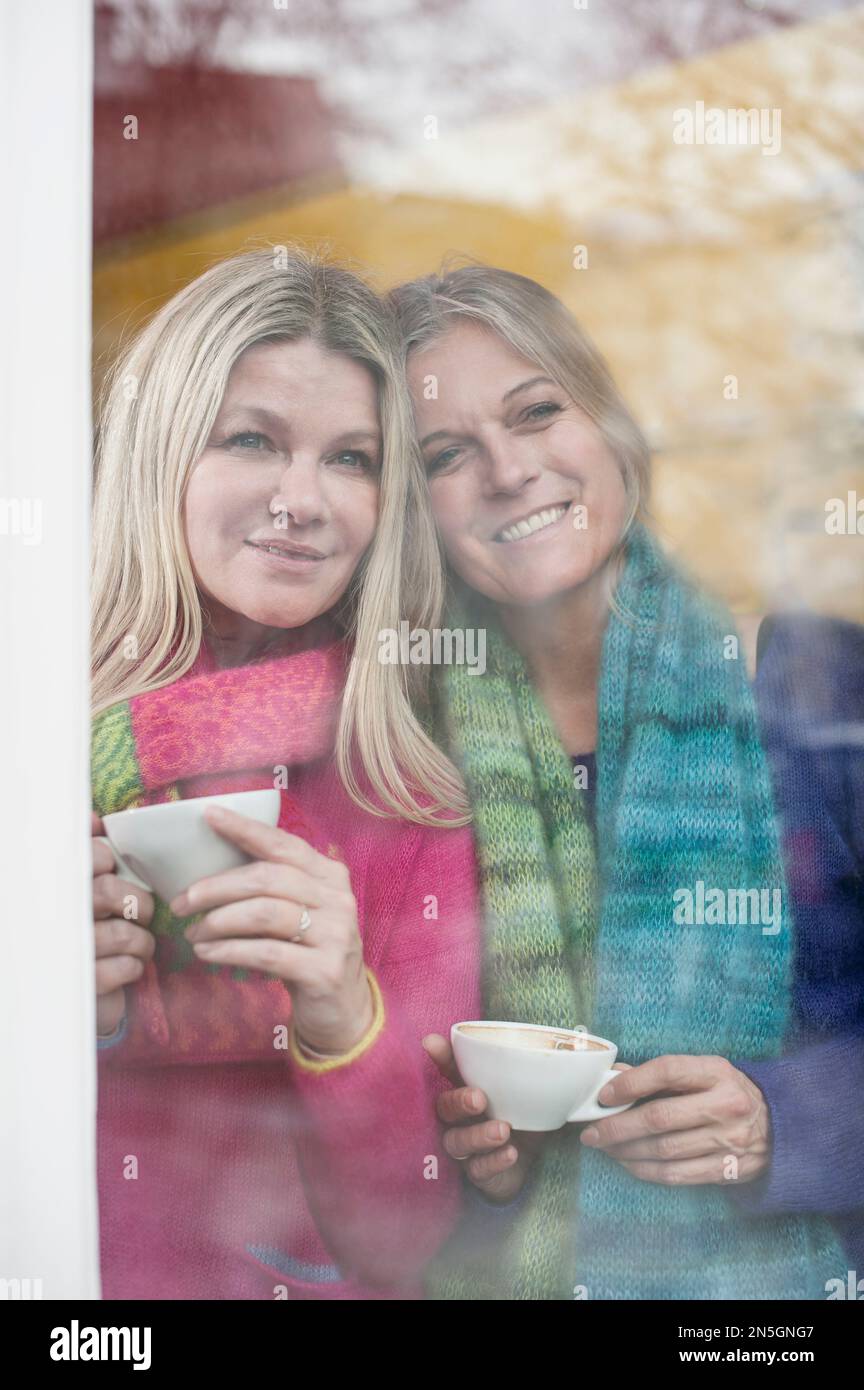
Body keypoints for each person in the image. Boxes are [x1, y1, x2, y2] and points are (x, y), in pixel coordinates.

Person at [389, 263, 864, 1300]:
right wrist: (484, 1165)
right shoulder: (407, 748)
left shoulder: (823, 687)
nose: (510, 471)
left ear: (608, 422)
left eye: (537, 411)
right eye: (446, 455)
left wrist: (786, 1118)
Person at [90, 247, 480, 1300]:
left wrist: (341, 1016)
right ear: (161, 454)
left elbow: (407, 1241)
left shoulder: (409, 789)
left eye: (351, 459)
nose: (302, 499)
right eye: (254, 440)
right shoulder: (36, 737)